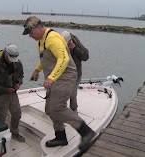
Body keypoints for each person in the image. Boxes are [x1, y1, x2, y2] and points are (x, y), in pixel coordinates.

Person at [22, 16, 96, 151]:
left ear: (38, 27)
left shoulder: (52, 38)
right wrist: (37, 70)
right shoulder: (41, 40)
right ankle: (60, 137)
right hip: (56, 78)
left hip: (65, 77)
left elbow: (64, 59)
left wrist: (51, 78)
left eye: (31, 33)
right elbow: (46, 57)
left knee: (57, 108)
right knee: (50, 109)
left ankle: (86, 132)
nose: (30, 36)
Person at [0, 44, 25, 142]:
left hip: (13, 94)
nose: (11, 60)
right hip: (0, 95)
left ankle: (15, 132)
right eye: (10, 58)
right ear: (5, 53)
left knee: (17, 114)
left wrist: (18, 83)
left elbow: (21, 76)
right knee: (0, 118)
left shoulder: (18, 63)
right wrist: (5, 89)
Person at [61, 31, 89, 113]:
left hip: (76, 74)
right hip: (64, 74)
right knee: (62, 91)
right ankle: (60, 109)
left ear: (70, 41)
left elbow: (86, 57)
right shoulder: (59, 45)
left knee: (72, 92)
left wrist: (75, 49)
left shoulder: (77, 45)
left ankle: (74, 109)